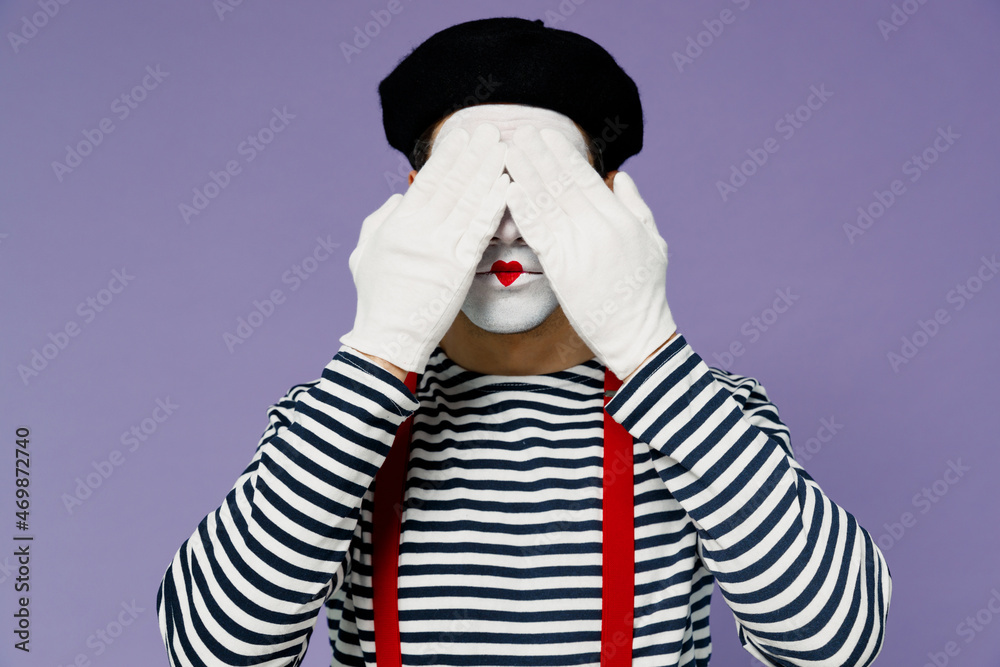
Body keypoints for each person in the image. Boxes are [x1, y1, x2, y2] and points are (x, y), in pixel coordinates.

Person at [156, 17, 891, 667]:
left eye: (543, 185)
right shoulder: (333, 421)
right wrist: (379, 348)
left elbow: (837, 642)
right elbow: (212, 650)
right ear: (414, 198)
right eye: (471, 184)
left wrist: (648, 347)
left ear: (610, 200)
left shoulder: (706, 411)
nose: (505, 225)